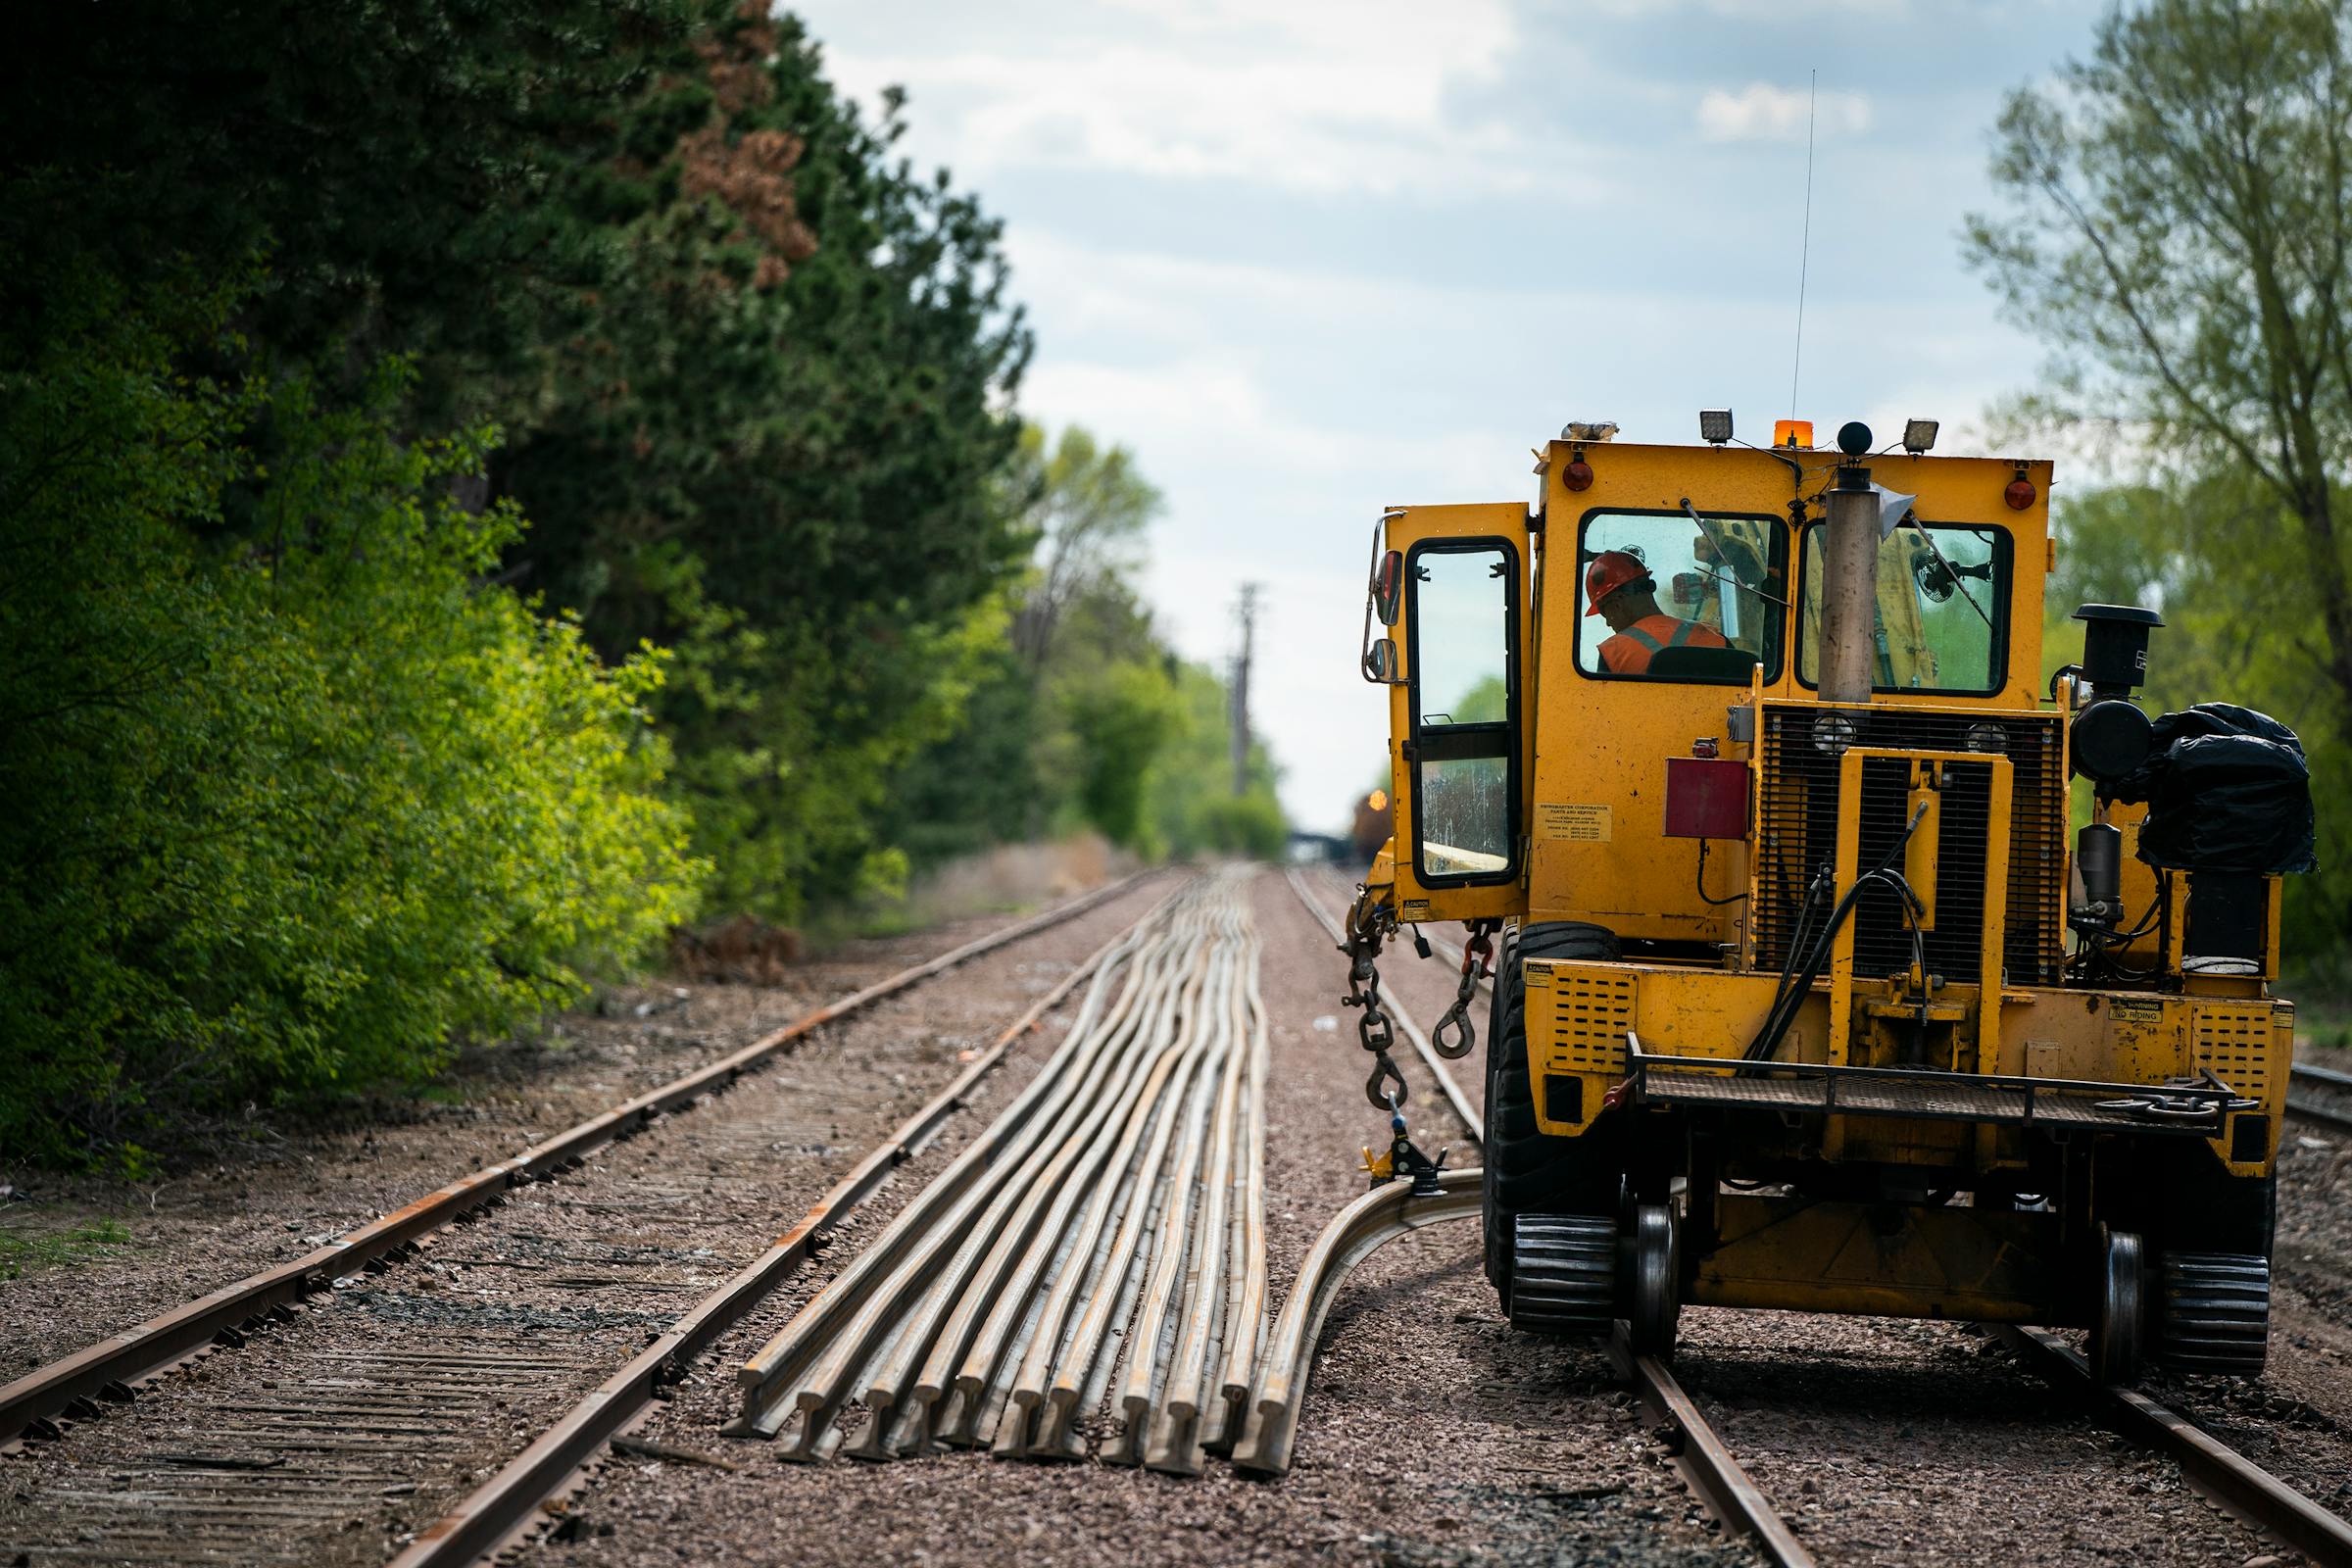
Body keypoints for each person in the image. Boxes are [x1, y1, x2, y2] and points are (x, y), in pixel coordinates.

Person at [1586, 550, 1728, 674]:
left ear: (1617, 604)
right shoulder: (1716, 638)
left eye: (1604, 613)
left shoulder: (1612, 654)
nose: (1607, 623)